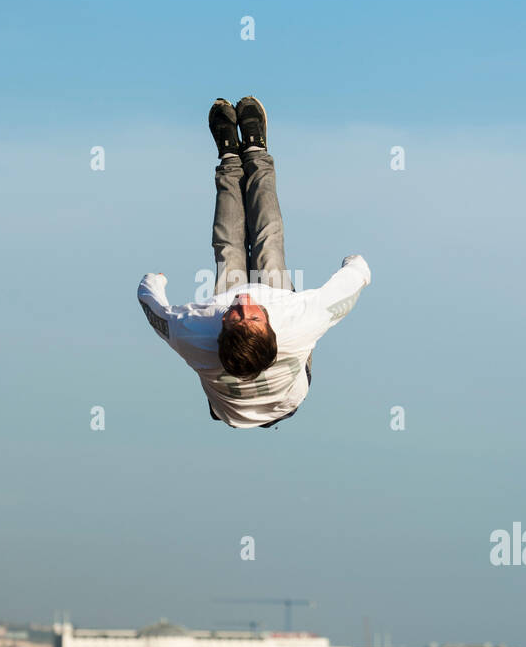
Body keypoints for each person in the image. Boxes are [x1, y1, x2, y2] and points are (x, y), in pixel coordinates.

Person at [137, 97, 371, 428]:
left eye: (234, 315)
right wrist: (356, 265)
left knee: (228, 248)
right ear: (272, 328)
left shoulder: (195, 332)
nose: (245, 301)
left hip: (229, 411)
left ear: (219, 331)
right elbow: (350, 288)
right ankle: (257, 153)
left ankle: (230, 159)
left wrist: (153, 281)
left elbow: (152, 309)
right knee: (269, 243)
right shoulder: (298, 321)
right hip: (286, 399)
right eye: (254, 315)